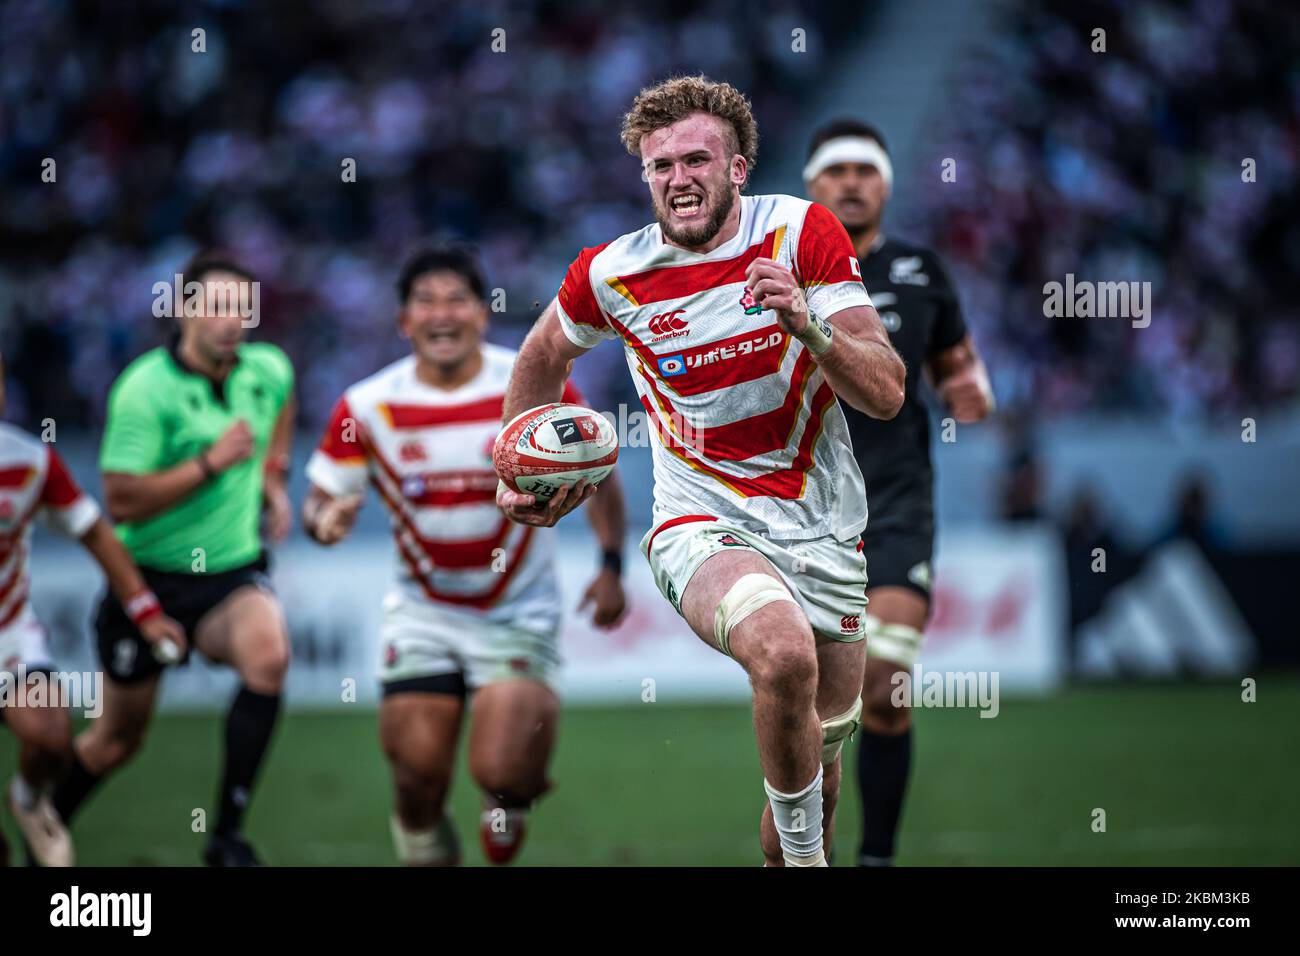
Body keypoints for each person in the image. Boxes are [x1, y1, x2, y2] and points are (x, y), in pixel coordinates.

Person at [498, 76, 905, 866]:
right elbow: (544, 351)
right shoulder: (611, 274)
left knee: (816, 772)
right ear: (644, 177)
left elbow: (886, 393)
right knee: (781, 654)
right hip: (700, 520)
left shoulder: (802, 233)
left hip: (826, 530)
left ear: (739, 167)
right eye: (660, 167)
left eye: (696, 159)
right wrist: (515, 466)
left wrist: (809, 325)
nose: (678, 179)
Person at [303, 242, 628, 865]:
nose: (442, 314)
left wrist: (611, 566)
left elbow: (599, 474)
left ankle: (515, 793)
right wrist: (327, 521)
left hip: (517, 611)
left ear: (483, 314)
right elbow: (321, 503)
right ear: (404, 321)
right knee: (417, 780)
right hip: (423, 613)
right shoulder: (367, 405)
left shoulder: (532, 382)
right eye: (426, 302)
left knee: (503, 775)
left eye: (457, 299)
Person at [50, 250, 297, 866]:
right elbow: (123, 502)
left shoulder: (268, 370)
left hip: (231, 575)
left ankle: (227, 837)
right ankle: (45, 817)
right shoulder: (144, 388)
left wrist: (272, 482)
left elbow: (281, 420)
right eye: (215, 305)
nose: (231, 319)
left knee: (268, 656)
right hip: (150, 581)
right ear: (183, 310)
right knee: (114, 743)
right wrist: (210, 462)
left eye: (242, 307)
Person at [804, 118, 994, 866]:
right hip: (800, 512)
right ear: (812, 186)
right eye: (836, 171)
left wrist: (969, 389)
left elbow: (958, 366)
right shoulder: (781, 271)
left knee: (883, 688)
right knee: (813, 708)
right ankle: (801, 845)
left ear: (885, 183)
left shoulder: (921, 270)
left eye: (866, 170)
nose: (852, 182)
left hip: (895, 507)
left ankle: (875, 855)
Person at [0, 350, 184, 866]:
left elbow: (93, 530)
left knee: (52, 739)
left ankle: (30, 800)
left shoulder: (29, 460)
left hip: (7, 634)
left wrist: (145, 609)